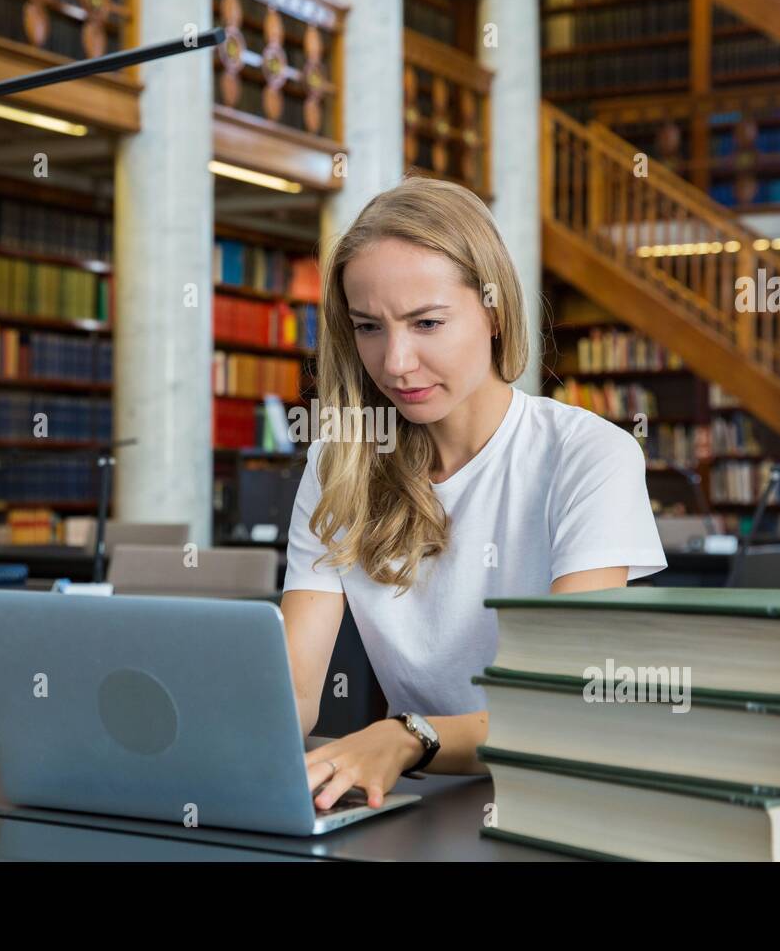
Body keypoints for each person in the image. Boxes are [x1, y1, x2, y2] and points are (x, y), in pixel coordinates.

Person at [281, 176, 667, 812]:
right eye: (368, 327)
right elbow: (294, 691)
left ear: (494, 312)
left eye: (427, 322)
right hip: (426, 804)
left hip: (568, 799)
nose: (396, 361)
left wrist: (407, 737)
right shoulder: (340, 462)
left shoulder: (588, 453)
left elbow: (561, 702)